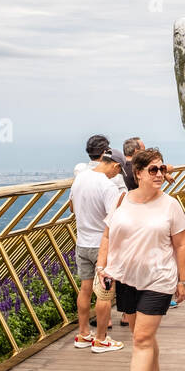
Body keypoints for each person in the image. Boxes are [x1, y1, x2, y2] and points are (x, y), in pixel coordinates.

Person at [98, 148, 185, 371]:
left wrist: (183, 281)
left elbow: (182, 244)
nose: (160, 174)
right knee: (143, 335)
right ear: (137, 173)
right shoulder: (121, 200)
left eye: (162, 169)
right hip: (126, 277)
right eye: (153, 170)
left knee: (140, 339)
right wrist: (102, 266)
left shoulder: (170, 204)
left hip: (158, 279)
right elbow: (107, 234)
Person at [69, 145, 126, 352]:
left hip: (82, 242)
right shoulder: (108, 186)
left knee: (85, 289)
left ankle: (83, 334)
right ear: (115, 165)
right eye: (119, 171)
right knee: (104, 293)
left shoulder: (80, 178)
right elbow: (114, 219)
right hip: (102, 245)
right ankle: (101, 339)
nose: (117, 174)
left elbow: (72, 207)